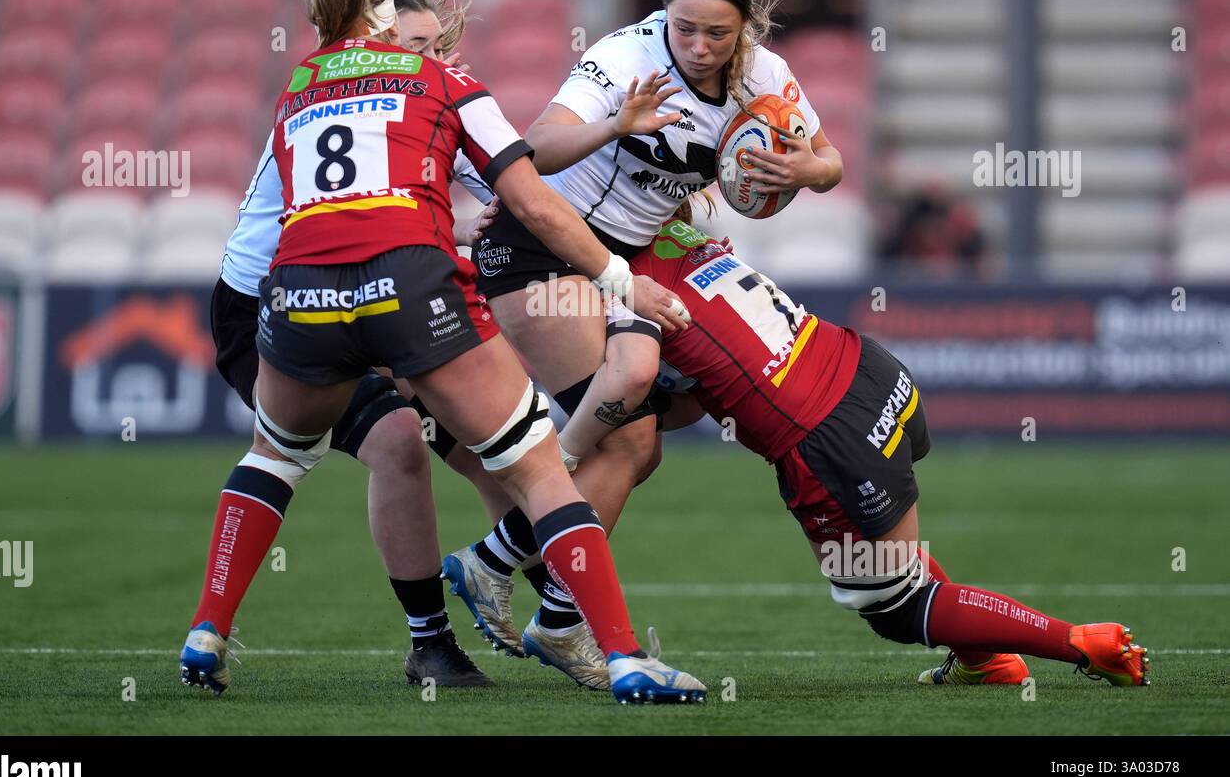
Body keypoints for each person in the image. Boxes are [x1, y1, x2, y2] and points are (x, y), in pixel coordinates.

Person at [180, 0, 705, 705]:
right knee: (531, 465)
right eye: (419, 42)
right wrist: (619, 279)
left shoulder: (296, 90)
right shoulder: (441, 84)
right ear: (386, 29)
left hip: (297, 295)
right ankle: (612, 652)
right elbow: (525, 197)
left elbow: (359, 193)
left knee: (283, 455)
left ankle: (209, 627)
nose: (437, 54)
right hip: (362, 289)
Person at [466, 213, 1152, 689]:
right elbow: (700, 392)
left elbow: (632, 376)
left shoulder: (628, 284)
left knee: (896, 606)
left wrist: (564, 451)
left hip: (826, 439)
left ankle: (1081, 643)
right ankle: (989, 662)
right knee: (889, 555)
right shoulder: (683, 236)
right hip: (868, 371)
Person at [443, 0, 842, 686]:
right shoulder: (626, 59)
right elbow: (539, 146)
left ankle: (505, 559)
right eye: (682, 26)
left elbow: (830, 164)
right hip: (538, 253)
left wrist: (802, 168)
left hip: (618, 264)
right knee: (629, 440)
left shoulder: (765, 75)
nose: (695, 45)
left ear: (745, 30)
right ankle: (545, 607)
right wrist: (615, 127)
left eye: (715, 33)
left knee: (670, 418)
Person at [193, 0, 505, 691]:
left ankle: (545, 603)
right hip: (280, 303)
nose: (423, 60)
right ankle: (429, 641)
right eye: (407, 45)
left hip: (372, 292)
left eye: (432, 48)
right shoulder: (346, 103)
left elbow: (515, 195)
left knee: (492, 449)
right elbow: (346, 222)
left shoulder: (419, 105)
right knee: (394, 442)